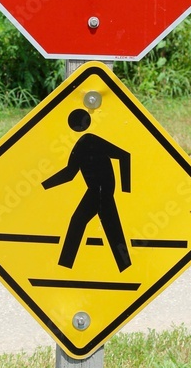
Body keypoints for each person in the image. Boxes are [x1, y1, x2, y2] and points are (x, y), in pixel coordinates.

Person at [42, 109, 132, 272]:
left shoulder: (91, 140)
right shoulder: (80, 145)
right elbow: (70, 173)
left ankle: (64, 266)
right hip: (95, 190)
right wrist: (44, 185)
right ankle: (125, 267)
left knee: (82, 222)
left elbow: (124, 156)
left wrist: (126, 190)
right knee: (110, 228)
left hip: (102, 190)